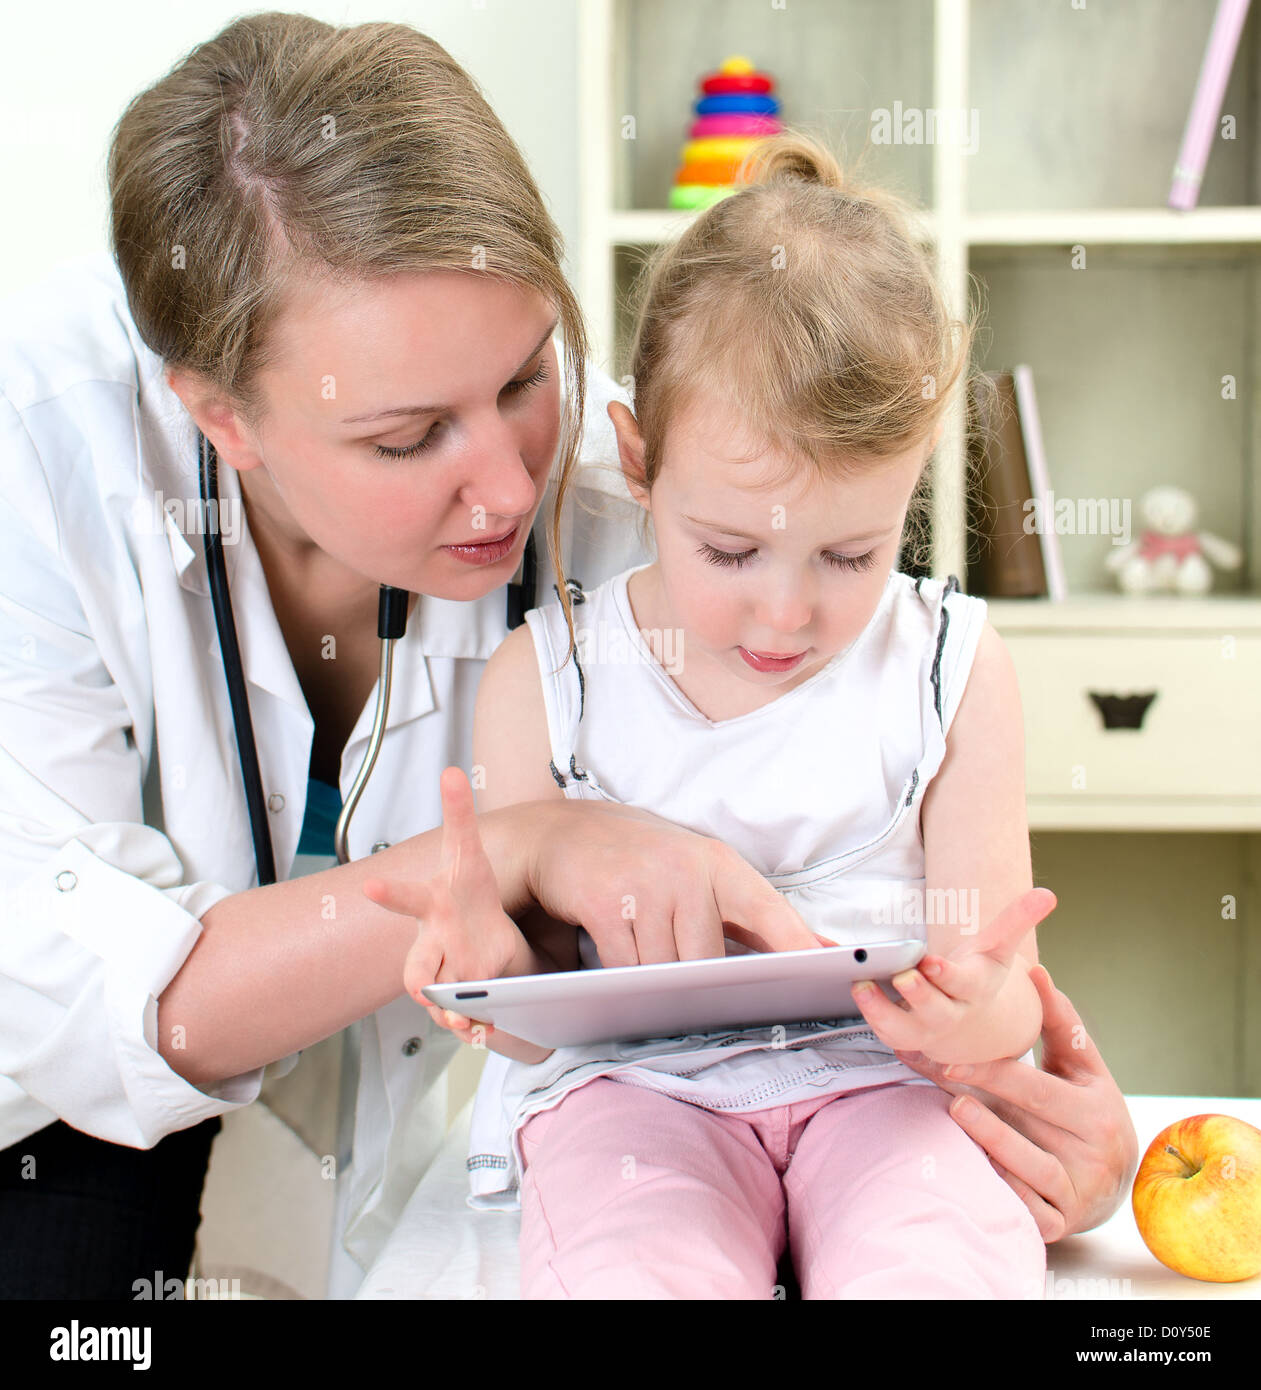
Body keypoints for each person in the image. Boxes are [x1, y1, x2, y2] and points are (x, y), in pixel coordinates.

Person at [0, 14, 1135, 1301]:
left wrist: (1036, 1120)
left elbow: (925, 908)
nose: (510, 483)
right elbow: (91, 997)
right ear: (222, 419)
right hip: (70, 1123)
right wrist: (533, 850)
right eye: (408, 435)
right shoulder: (42, 456)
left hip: (502, 1155)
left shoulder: (669, 499)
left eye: (525, 373)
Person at [365, 129, 1134, 1300]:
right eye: (728, 548)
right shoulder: (550, 675)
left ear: (914, 475)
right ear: (637, 460)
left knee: (934, 1267)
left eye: (850, 551)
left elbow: (1000, 1003)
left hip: (888, 1094)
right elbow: (538, 1018)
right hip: (632, 1102)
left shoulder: (950, 668)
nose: (785, 610)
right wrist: (487, 971)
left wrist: (975, 1016)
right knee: (635, 1272)